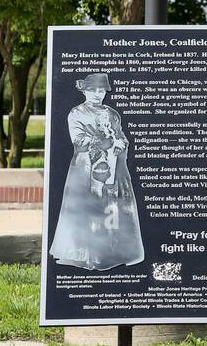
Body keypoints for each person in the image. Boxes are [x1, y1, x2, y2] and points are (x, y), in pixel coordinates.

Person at [48, 73, 144, 271]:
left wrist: (119, 143)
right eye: (93, 90)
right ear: (84, 91)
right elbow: (78, 140)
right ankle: (88, 252)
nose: (97, 94)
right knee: (89, 205)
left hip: (115, 167)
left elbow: (122, 136)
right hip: (87, 167)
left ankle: (115, 251)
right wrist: (102, 143)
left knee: (114, 206)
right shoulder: (77, 113)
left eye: (101, 91)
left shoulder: (112, 113)